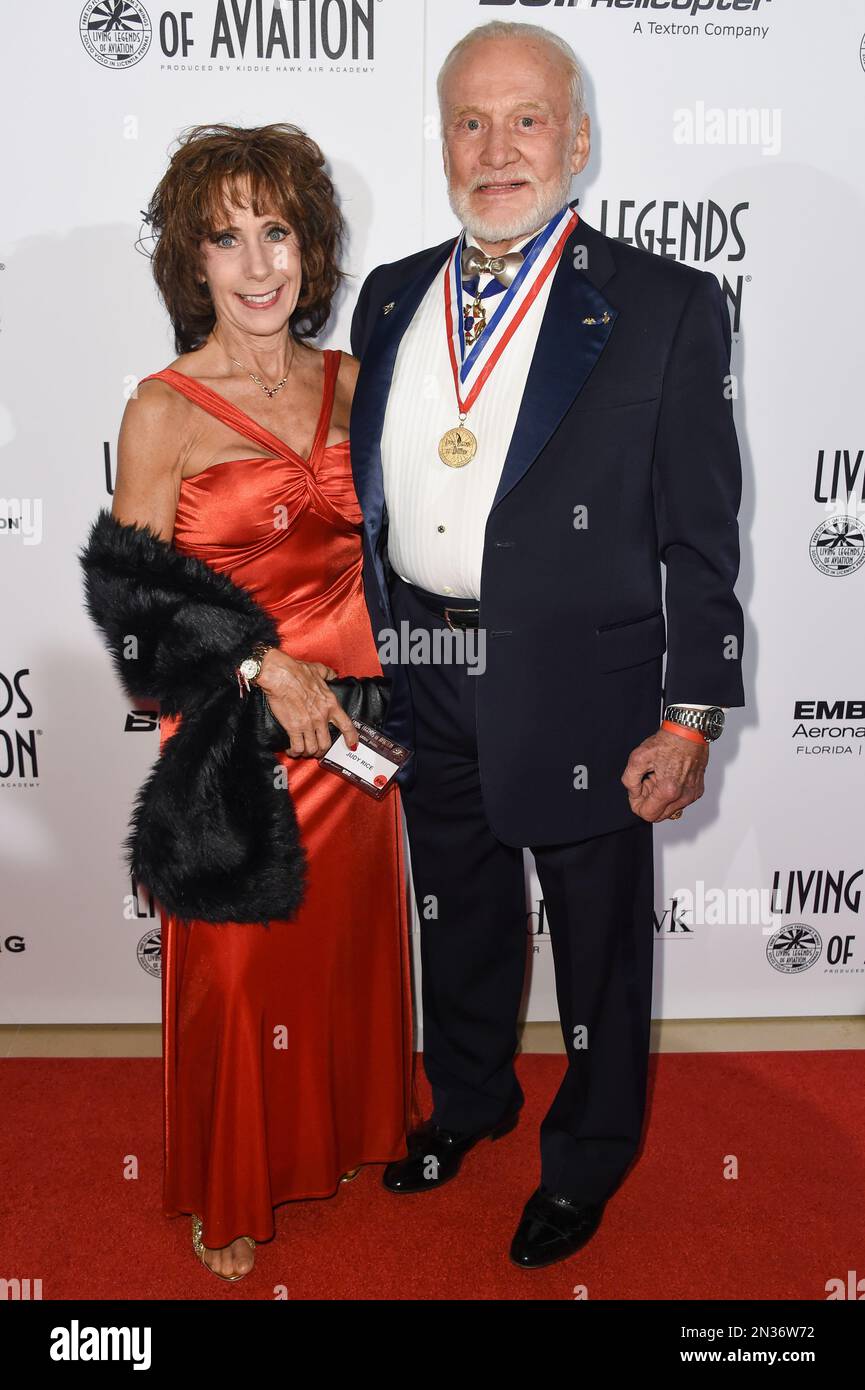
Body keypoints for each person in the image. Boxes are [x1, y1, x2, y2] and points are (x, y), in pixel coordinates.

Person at [350, 22, 745, 1270]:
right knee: (457, 913)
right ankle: (468, 1102)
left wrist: (691, 714)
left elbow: (701, 531)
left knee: (596, 937)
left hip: (589, 687)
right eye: (471, 121)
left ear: (577, 141)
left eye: (526, 120)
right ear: (443, 141)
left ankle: (585, 1159)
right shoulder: (392, 293)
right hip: (423, 668)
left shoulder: (668, 304)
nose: (497, 147)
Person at [106, 123, 416, 1280]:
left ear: (311, 245)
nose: (255, 263)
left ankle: (338, 1134)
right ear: (191, 262)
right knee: (238, 977)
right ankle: (231, 1182)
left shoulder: (355, 382)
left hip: (355, 738)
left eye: (275, 230)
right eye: (224, 237)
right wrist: (253, 664)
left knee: (339, 955)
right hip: (236, 736)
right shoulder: (163, 409)